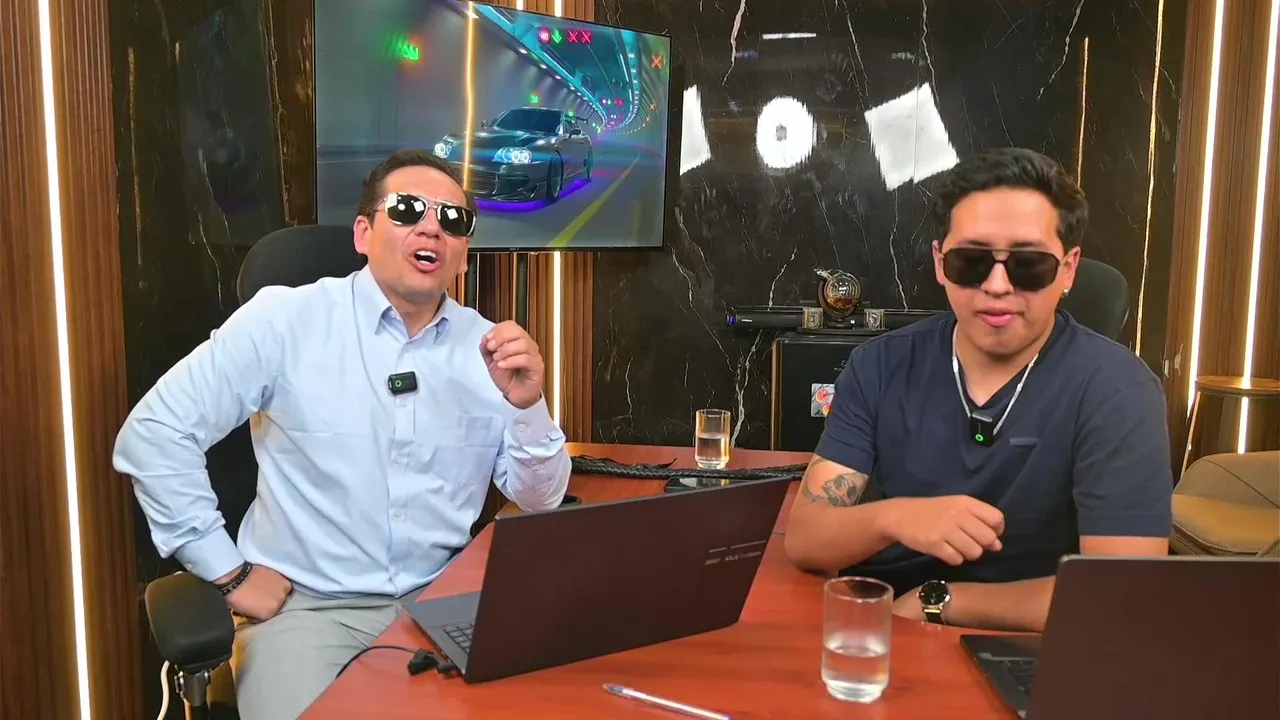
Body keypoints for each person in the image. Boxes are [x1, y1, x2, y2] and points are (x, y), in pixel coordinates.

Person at [114, 149, 570, 719]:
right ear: (363, 232)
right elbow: (153, 433)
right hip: (306, 610)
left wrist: (528, 408)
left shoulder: (490, 350)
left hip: (443, 602)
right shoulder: (285, 322)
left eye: (453, 219)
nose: (432, 227)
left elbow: (540, 498)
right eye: (408, 209)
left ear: (462, 253)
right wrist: (228, 572)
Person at [783, 148, 1171, 632]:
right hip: (881, 630)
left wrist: (940, 601)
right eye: (971, 261)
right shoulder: (880, 365)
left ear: (1068, 269)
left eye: (1028, 264)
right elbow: (806, 540)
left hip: (1030, 641)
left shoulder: (1119, 391)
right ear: (940, 263)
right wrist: (895, 518)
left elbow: (1122, 595)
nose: (997, 285)